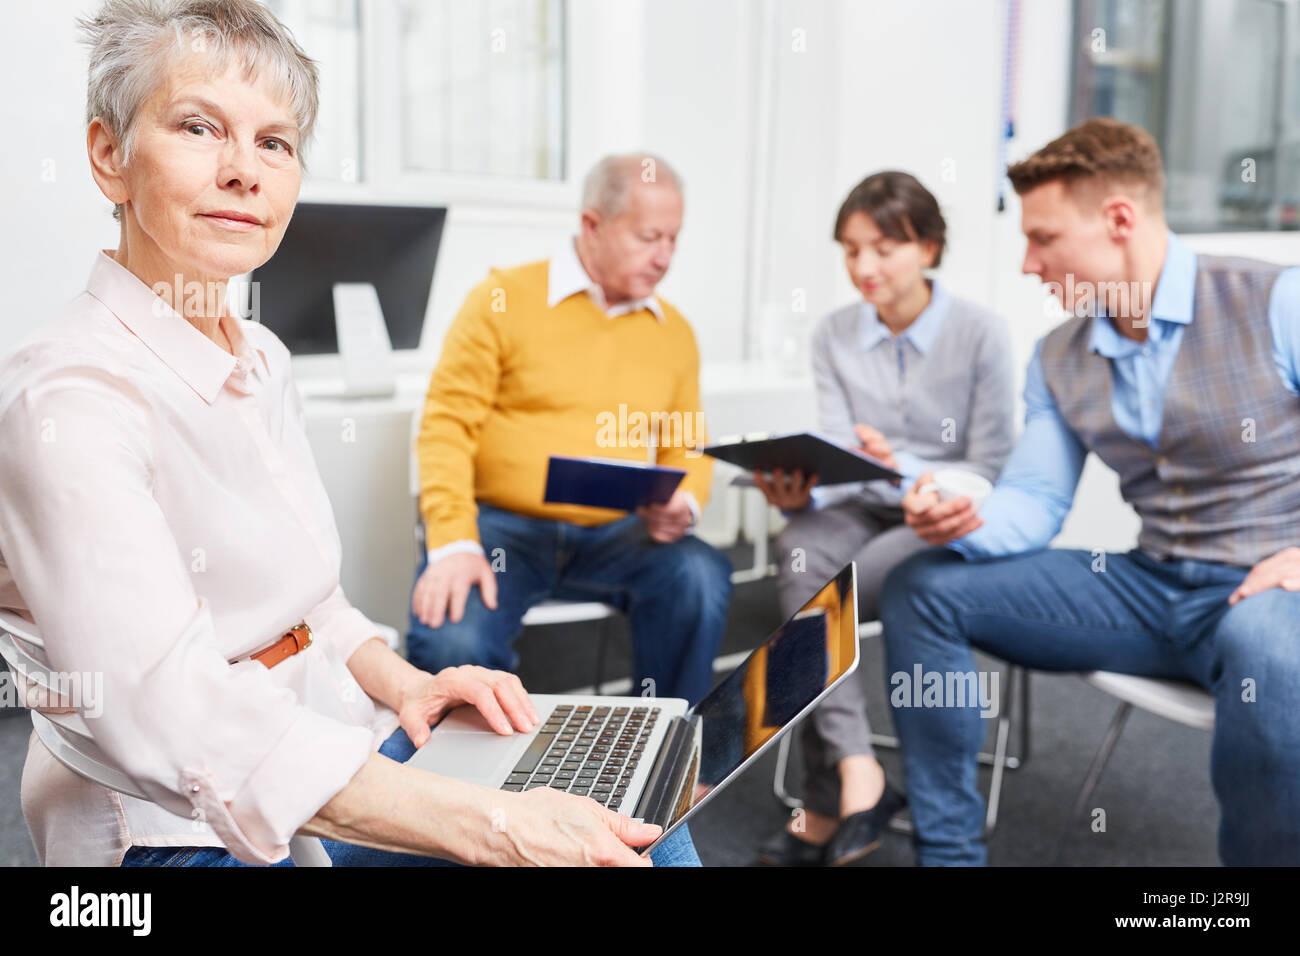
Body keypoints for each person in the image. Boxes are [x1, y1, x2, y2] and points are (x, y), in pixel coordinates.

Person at [0, 0, 698, 868]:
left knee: (641, 823)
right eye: (197, 127)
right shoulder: (67, 397)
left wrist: (413, 687)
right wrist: (492, 824)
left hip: (334, 739)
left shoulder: (260, 355)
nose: (243, 171)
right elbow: (172, 715)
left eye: (274, 143)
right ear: (110, 155)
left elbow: (313, 606)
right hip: (175, 825)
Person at [883, 116, 1300, 865]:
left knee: (1268, 646)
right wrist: (958, 512)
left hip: (1269, 595)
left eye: (1043, 238)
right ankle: (947, 856)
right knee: (922, 587)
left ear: (1117, 221)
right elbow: (1033, 505)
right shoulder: (1058, 356)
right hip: (1152, 587)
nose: (1027, 264)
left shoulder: (1276, 301)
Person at [750, 172, 1016, 865]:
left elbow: (989, 469)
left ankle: (828, 796)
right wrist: (800, 490)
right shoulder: (834, 334)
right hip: (855, 506)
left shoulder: (981, 334)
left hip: (936, 519)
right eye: (849, 250)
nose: (862, 268)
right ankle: (860, 772)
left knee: (818, 602)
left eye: (882, 249)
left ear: (927, 247)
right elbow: (840, 455)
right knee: (801, 551)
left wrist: (897, 466)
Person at [406, 154, 732, 708]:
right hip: (504, 530)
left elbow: (687, 443)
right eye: (650, 237)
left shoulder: (674, 333)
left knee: (699, 576)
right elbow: (446, 426)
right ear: (592, 226)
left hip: (618, 535)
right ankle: (458, 787)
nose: (664, 257)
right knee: (454, 638)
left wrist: (685, 502)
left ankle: (674, 752)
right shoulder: (502, 300)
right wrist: (455, 541)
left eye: (674, 240)